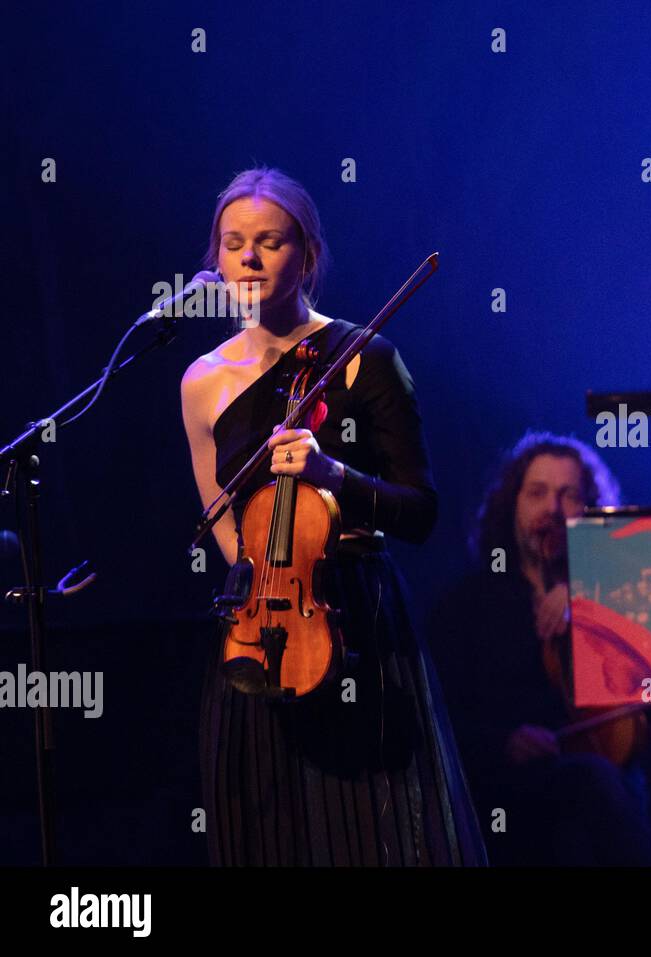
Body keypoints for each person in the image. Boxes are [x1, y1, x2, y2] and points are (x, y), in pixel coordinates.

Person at [179, 167, 485, 865]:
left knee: (367, 838)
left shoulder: (366, 358)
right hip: (256, 629)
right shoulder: (201, 382)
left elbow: (421, 510)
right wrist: (264, 593)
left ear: (307, 255)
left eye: (269, 242)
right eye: (232, 244)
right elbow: (228, 532)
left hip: (354, 615)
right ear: (215, 257)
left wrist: (333, 476)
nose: (248, 259)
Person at [430, 432, 651, 865]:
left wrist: (592, 603)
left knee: (602, 779)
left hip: (601, 785)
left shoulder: (613, 598)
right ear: (512, 504)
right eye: (536, 493)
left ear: (589, 508)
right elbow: (439, 718)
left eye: (569, 495)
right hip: (507, 788)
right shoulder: (467, 603)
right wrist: (504, 741)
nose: (552, 510)